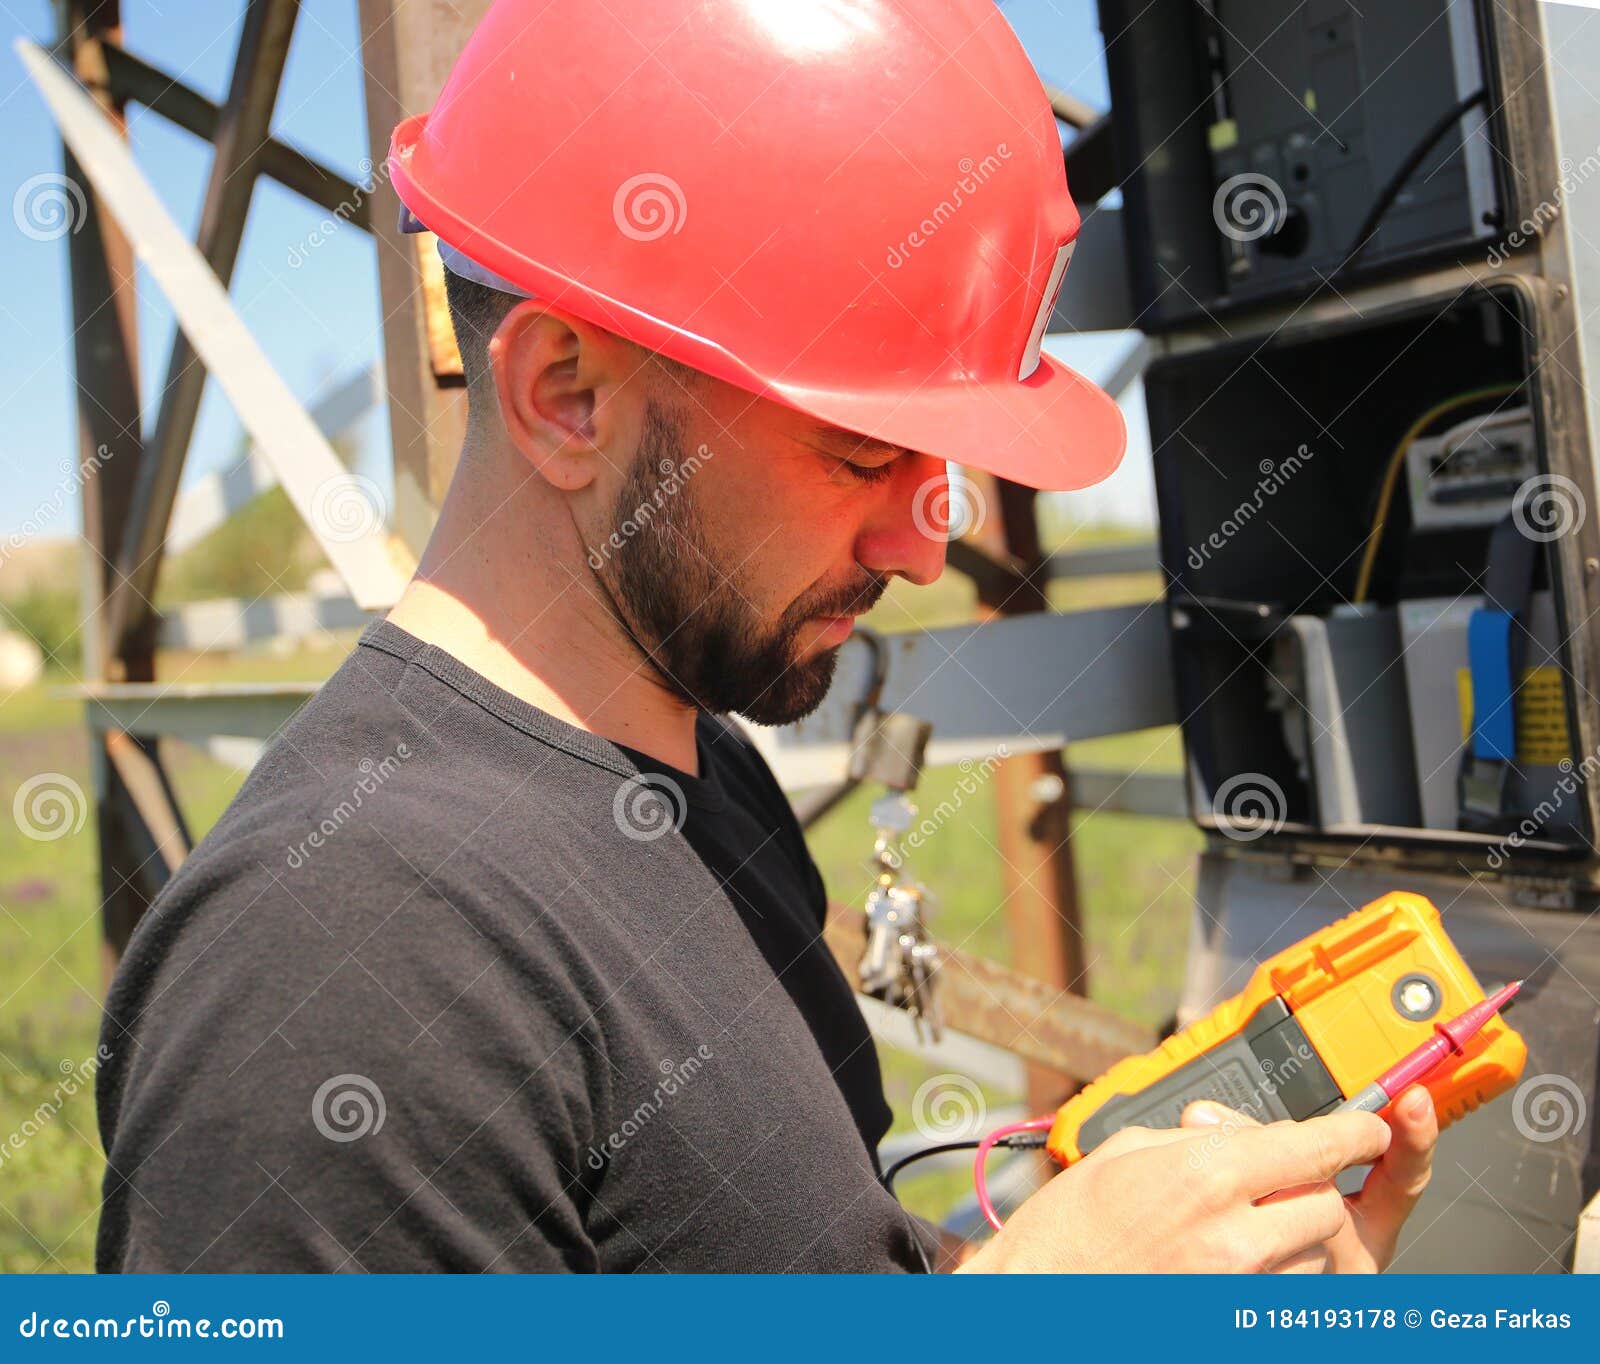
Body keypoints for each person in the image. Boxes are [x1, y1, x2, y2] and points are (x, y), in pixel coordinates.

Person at [96, 0, 1436, 1273]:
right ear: (567, 396)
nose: (925, 542)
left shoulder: (701, 771)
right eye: (862, 455)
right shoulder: (346, 955)